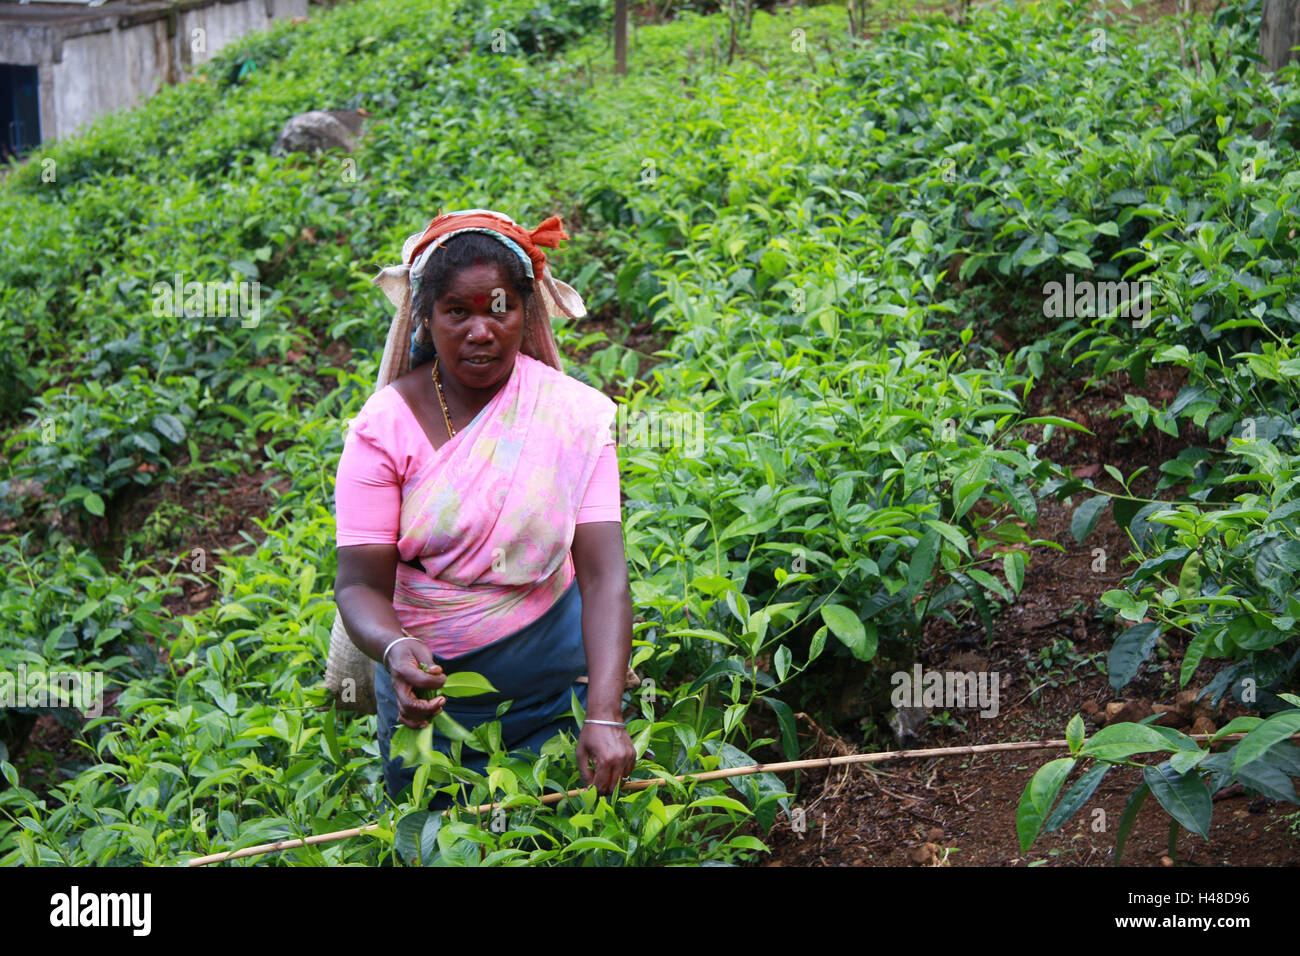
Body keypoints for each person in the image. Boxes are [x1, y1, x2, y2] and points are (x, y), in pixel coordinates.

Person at [333, 209, 637, 808]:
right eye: (457, 311)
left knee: (563, 840)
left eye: (499, 308)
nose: (481, 330)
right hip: (430, 710)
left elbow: (603, 574)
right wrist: (395, 651)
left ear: (526, 314)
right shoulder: (382, 431)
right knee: (437, 837)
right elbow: (359, 585)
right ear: (425, 315)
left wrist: (603, 715)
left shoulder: (572, 417)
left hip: (559, 699)